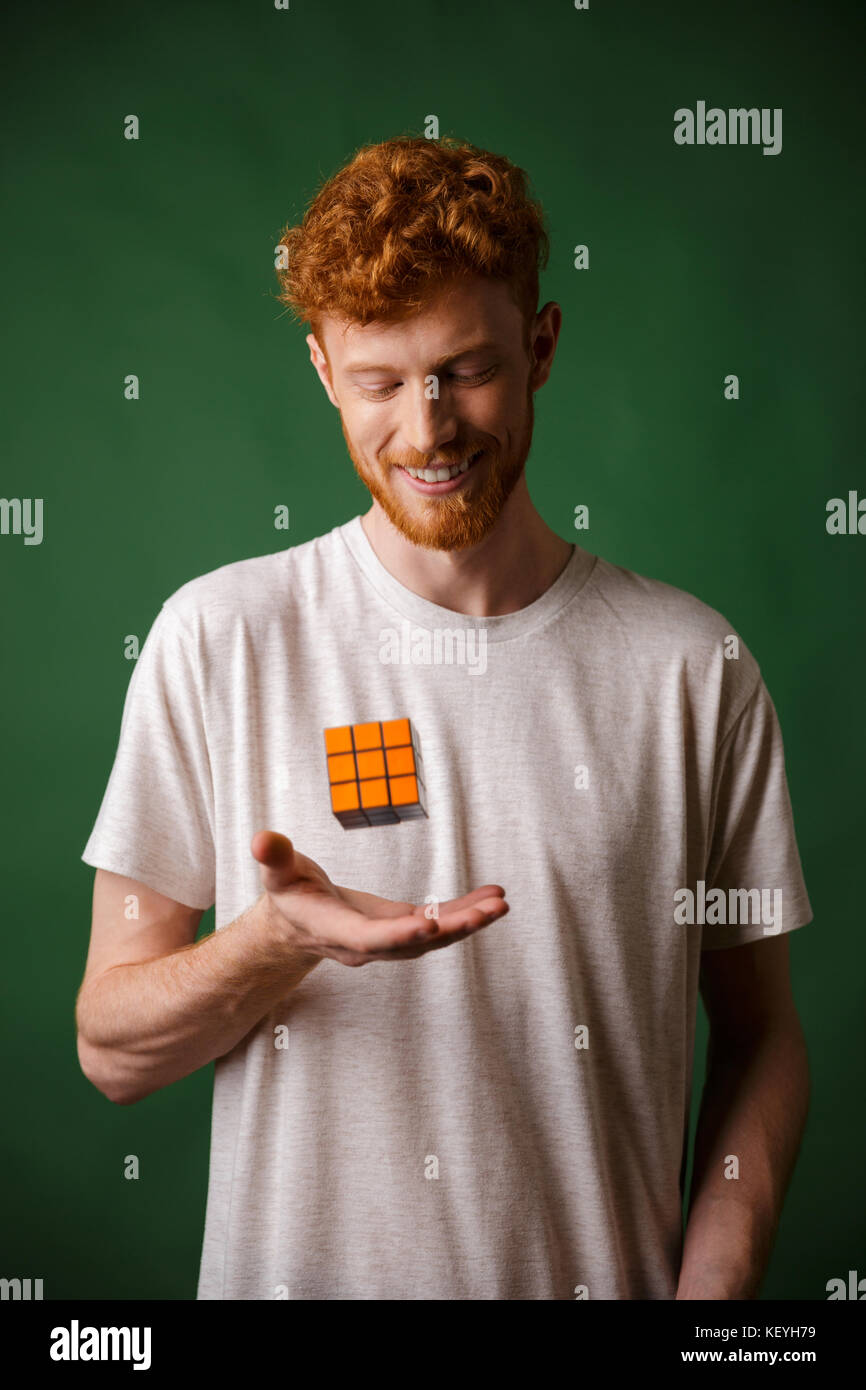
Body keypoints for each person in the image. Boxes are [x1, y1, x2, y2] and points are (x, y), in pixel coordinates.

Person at [77, 135, 813, 1300]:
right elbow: (111, 1049)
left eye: (464, 370)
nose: (426, 431)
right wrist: (280, 941)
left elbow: (761, 1034)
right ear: (322, 369)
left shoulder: (691, 665)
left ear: (540, 345)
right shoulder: (217, 638)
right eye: (378, 382)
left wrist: (710, 1311)